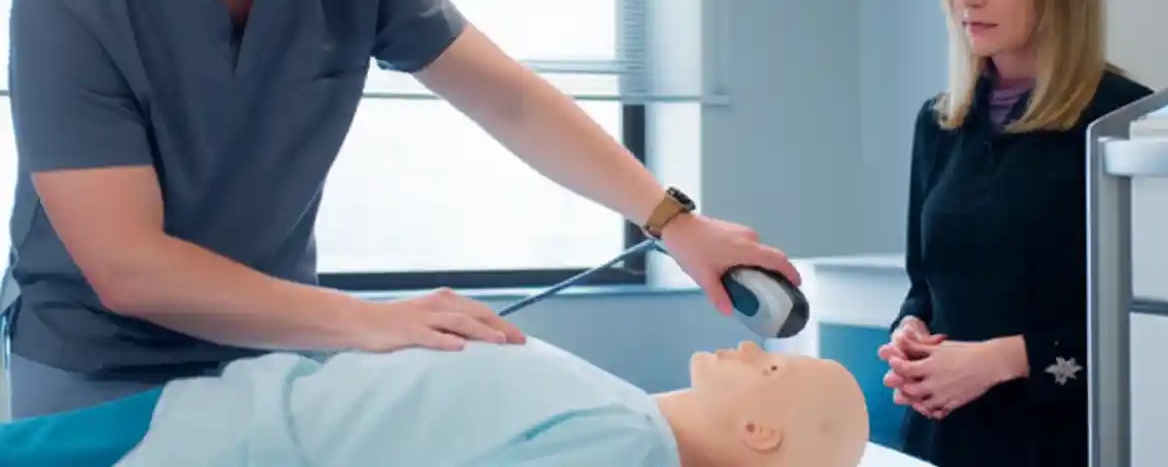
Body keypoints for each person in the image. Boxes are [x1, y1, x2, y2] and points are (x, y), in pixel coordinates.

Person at [0, 0, 800, 419]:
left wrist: (673, 223)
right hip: (95, 372)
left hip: (274, 360)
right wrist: (368, 321)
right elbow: (129, 267)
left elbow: (509, 99)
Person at [876, 0, 1153, 466]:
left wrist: (1001, 360)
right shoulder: (940, 122)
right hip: (941, 439)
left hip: (1057, 443)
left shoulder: (1124, 122)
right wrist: (909, 331)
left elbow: (1142, 327)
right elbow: (923, 284)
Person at [0, 339, 871, 467]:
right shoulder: (620, 407)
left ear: (760, 433)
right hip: (235, 410)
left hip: (237, 440)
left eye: (773, 370)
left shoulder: (624, 442)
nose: (757, 347)